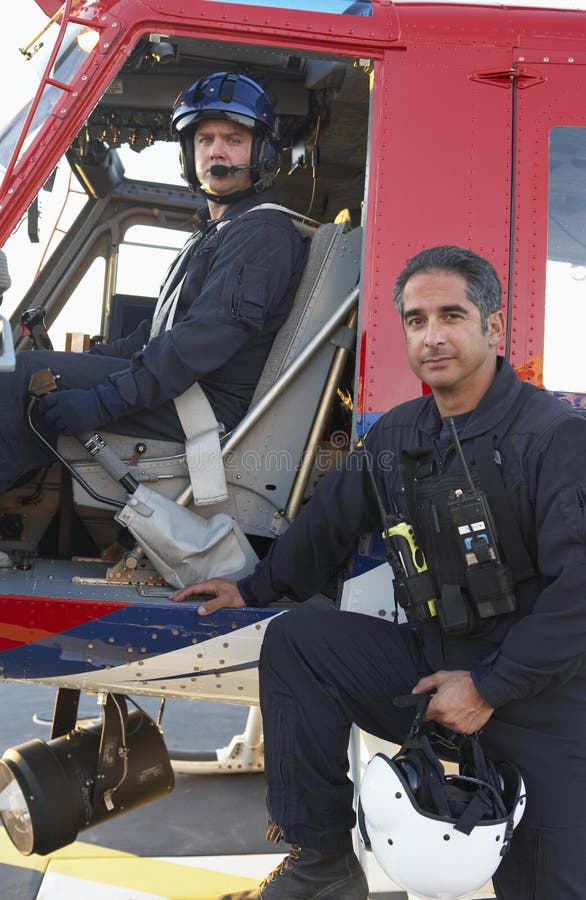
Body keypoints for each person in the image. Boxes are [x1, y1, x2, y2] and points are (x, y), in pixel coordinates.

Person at [172, 245, 586, 900]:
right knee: (301, 643)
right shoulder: (397, 438)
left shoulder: (554, 438)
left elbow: (580, 597)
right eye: (417, 321)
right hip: (431, 667)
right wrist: (252, 586)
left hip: (543, 696)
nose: (434, 335)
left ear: (494, 328)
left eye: (452, 315)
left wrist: (489, 686)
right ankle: (321, 862)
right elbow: (327, 528)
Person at [0, 72, 306, 495]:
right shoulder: (216, 232)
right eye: (205, 140)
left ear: (261, 151)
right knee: (29, 369)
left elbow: (202, 341)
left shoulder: (261, 235)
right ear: (189, 153)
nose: (216, 151)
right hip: (185, 392)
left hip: (202, 405)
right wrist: (98, 358)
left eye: (233, 139)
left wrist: (102, 399)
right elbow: (157, 336)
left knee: (16, 383)